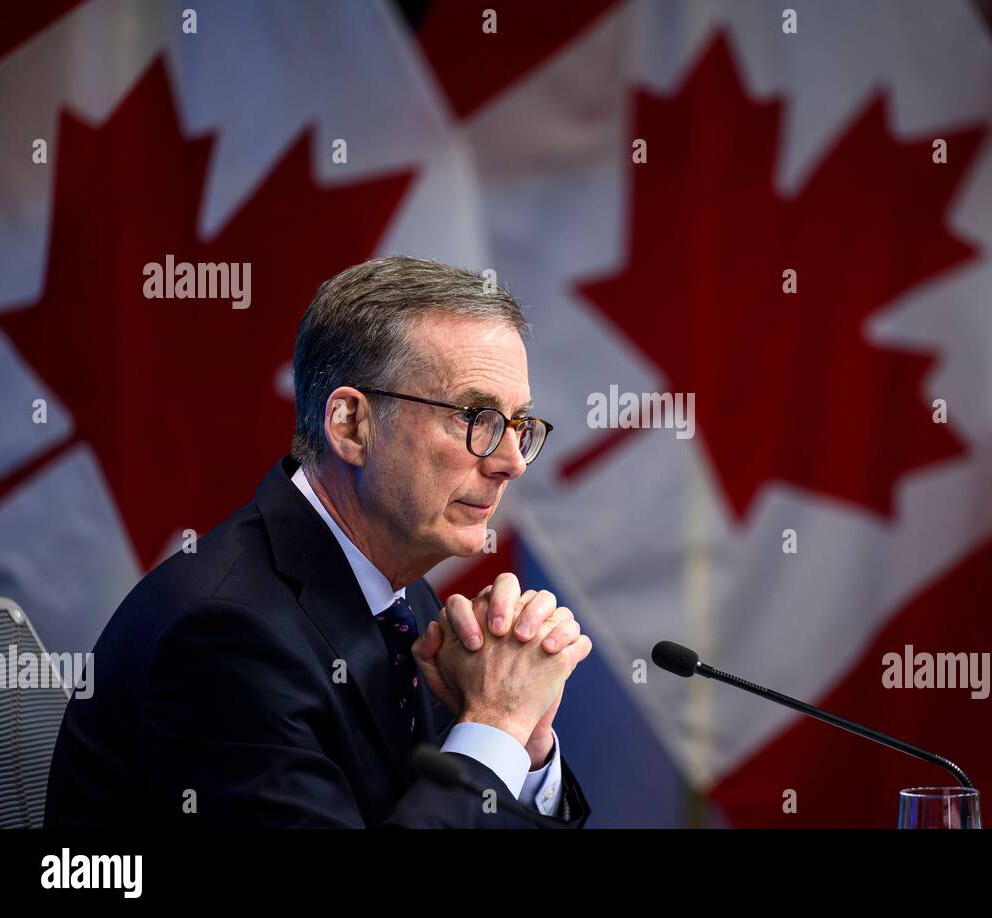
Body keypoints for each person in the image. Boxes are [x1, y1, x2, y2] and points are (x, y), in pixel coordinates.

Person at [45, 256, 594, 827]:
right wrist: (494, 726)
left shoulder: (404, 598)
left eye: (520, 424)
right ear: (352, 425)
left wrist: (525, 750)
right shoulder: (224, 633)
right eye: (474, 417)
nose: (511, 463)